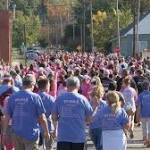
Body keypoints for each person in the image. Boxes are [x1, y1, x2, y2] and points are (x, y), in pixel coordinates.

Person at [3, 74, 50, 150]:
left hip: (16, 133)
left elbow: (7, 116)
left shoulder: (12, 97)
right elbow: (42, 118)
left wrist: (5, 132)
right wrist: (46, 132)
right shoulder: (35, 97)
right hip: (31, 134)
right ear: (32, 84)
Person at [52, 76, 93, 150]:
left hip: (63, 136)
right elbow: (90, 118)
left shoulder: (60, 98)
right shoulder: (83, 99)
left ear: (67, 85)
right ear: (78, 86)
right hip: (78, 136)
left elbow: (54, 117)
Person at [89, 77, 106, 150]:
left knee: (98, 147)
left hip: (94, 128)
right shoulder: (105, 104)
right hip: (100, 129)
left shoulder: (89, 103)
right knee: (99, 147)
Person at [38, 77, 55, 150]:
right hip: (48, 126)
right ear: (47, 86)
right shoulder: (51, 98)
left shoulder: (33, 97)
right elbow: (55, 115)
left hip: (35, 127)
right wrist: (56, 129)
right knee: (49, 147)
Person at [137, 80, 150, 147]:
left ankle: (145, 140)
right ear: (149, 86)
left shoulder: (140, 95)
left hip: (143, 114)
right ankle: (149, 141)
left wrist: (137, 116)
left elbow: (139, 106)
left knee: (144, 128)